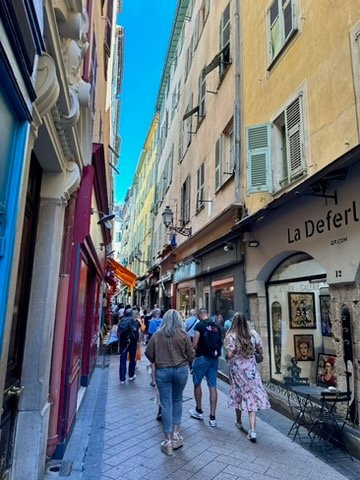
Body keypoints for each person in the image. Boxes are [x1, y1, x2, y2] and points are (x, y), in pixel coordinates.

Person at [145, 309, 195, 456]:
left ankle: (167, 442)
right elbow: (191, 355)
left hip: (163, 371)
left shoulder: (158, 335)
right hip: (180, 370)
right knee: (177, 400)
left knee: (165, 402)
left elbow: (149, 353)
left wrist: (157, 359)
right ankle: (176, 435)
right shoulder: (183, 335)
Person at [224, 312, 270, 442]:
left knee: (238, 393)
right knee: (251, 397)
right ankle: (253, 430)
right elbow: (260, 351)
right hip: (251, 371)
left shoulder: (231, 336)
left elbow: (229, 354)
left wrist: (231, 355)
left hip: (237, 370)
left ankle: (238, 421)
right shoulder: (254, 335)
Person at [189, 307, 222, 428]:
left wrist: (193, 352)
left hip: (202, 358)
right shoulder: (217, 326)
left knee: (197, 383)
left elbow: (195, 344)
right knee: (213, 386)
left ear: (199, 315)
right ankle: (212, 417)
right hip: (214, 359)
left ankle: (199, 410)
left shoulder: (200, 326)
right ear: (207, 314)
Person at [117, 307, 140, 384]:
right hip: (132, 343)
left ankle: (122, 379)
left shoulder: (121, 321)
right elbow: (136, 333)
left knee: (122, 360)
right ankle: (131, 375)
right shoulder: (133, 321)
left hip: (123, 343)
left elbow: (118, 333)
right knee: (132, 359)